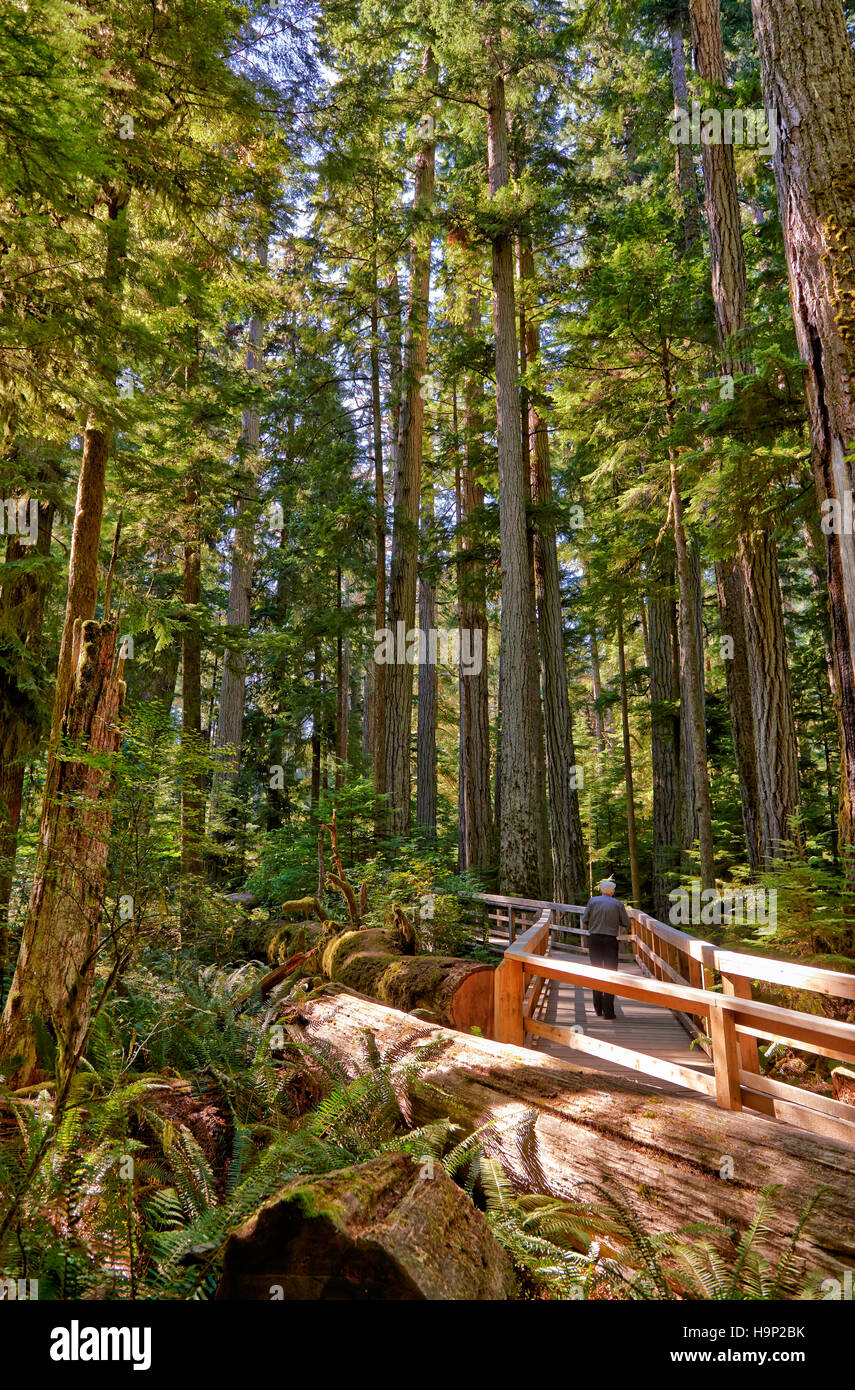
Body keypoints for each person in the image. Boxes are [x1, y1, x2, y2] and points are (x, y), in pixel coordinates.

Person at [581, 877, 630, 1020]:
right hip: (610, 941)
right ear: (612, 892)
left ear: (602, 891)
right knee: (611, 974)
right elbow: (626, 922)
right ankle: (609, 1011)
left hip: (594, 939)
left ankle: (598, 1008)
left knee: (596, 971)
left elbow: (585, 919)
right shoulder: (618, 904)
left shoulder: (592, 901)